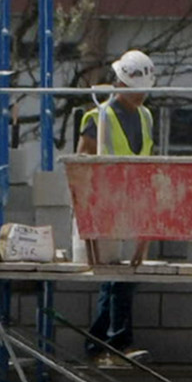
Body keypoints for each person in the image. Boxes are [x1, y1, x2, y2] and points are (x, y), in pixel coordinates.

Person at [74, 50, 158, 360]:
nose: (141, 96)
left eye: (145, 89)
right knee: (115, 276)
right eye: (137, 89)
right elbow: (80, 162)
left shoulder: (146, 116)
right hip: (105, 203)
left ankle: (101, 344)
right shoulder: (99, 115)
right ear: (120, 83)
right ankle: (115, 342)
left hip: (135, 204)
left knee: (123, 277)